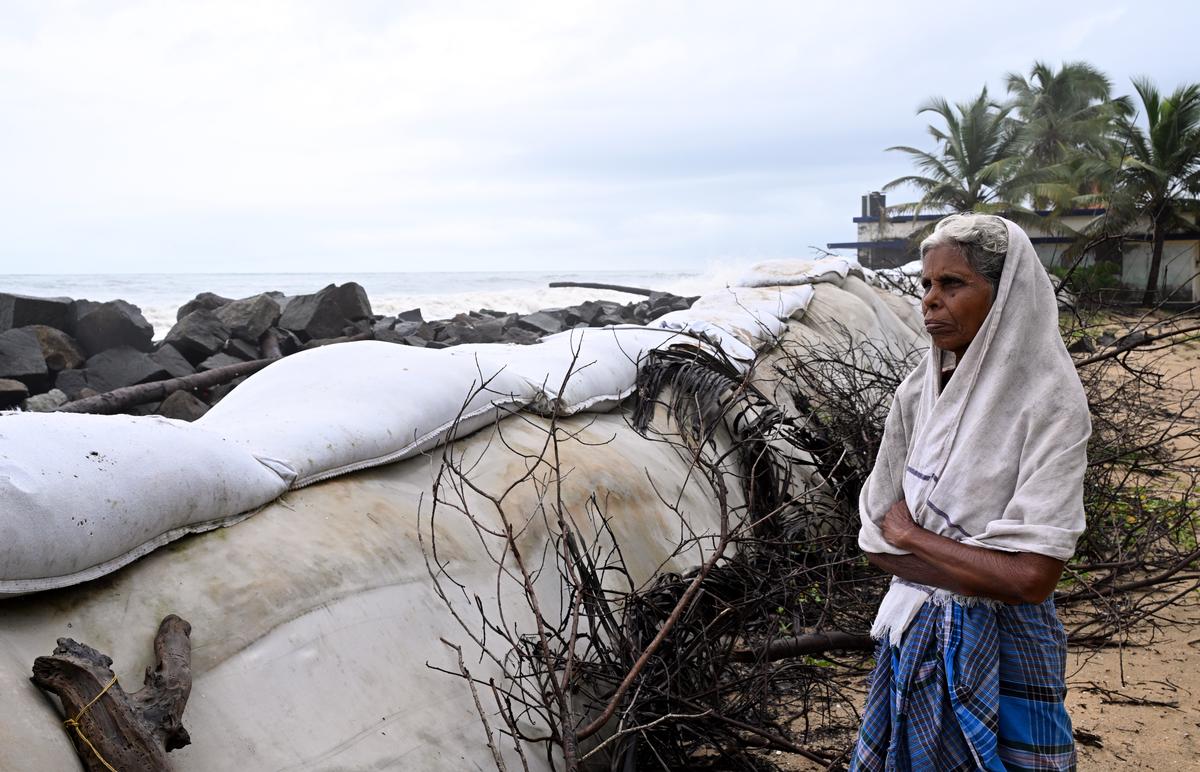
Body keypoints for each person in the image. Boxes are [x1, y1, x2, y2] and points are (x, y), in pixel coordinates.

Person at [851, 213, 1090, 770]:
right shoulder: (920, 392)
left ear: (1004, 294)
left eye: (953, 284)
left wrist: (912, 539)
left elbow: (1031, 577)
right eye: (926, 285)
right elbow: (871, 536)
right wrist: (972, 567)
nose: (930, 301)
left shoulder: (1050, 402)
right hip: (913, 631)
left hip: (1009, 643)